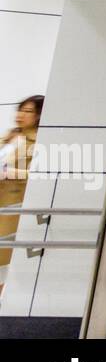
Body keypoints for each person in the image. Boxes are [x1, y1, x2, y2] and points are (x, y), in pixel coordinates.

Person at [0, 95, 42, 299]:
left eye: (27, 111)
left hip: (14, 205)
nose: (21, 115)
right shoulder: (9, 136)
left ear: (39, 115)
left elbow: (41, 174)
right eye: (20, 110)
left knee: (4, 257)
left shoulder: (39, 141)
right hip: (2, 199)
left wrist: (11, 173)